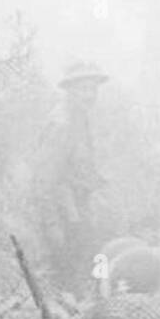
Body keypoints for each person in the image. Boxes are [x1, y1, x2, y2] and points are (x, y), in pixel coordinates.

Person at [34, 60, 110, 290]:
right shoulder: (61, 124)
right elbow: (43, 181)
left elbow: (78, 163)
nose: (89, 95)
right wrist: (53, 227)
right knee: (67, 273)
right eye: (83, 89)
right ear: (69, 90)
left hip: (77, 205)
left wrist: (98, 181)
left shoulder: (79, 117)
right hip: (63, 211)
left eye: (93, 88)